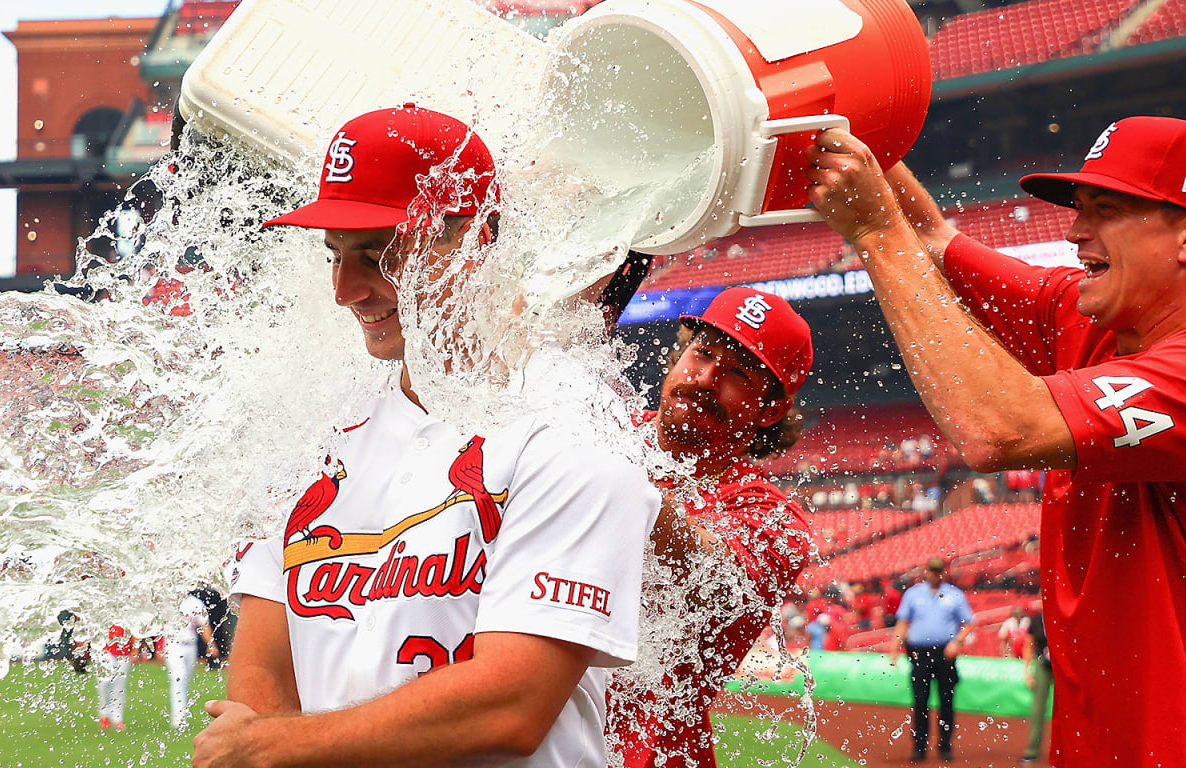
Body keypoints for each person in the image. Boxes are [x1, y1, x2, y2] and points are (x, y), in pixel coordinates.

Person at [193, 104, 659, 768]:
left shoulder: (568, 431)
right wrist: (269, 738)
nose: (344, 290)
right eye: (333, 254)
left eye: (377, 253)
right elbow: (264, 679)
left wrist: (274, 746)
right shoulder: (313, 435)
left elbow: (512, 706)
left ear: (472, 242)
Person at [806, 116, 1186, 765]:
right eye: (1080, 209)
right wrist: (853, 119)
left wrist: (877, 234)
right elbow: (936, 238)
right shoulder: (1085, 319)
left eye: (1105, 210)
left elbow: (997, 430)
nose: (1075, 231)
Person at [611, 285, 814, 768]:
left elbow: (706, 573)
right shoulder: (606, 431)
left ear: (771, 410)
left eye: (737, 373)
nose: (705, 378)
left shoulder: (775, 521)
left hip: (647, 755)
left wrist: (608, 466)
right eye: (701, 354)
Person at [888, 557, 973, 762]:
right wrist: (894, 647)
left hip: (945, 653)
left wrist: (957, 642)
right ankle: (919, 746)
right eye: (932, 571)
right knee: (920, 701)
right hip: (919, 653)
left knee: (946, 701)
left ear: (943, 572)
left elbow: (968, 623)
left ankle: (945, 745)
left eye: (938, 571)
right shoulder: (913, 594)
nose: (935, 575)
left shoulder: (955, 594)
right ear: (926, 572)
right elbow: (903, 623)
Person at [167, 591, 218, 730]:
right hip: (173, 644)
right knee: (178, 677)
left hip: (190, 644)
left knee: (186, 679)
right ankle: (178, 718)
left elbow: (204, 625)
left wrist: (211, 644)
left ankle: (181, 713)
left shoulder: (194, 603)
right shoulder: (167, 600)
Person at [1021, 607, 1052, 765]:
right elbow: (1028, 644)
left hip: (1063, 665)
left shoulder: (1066, 616)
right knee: (1038, 709)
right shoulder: (1036, 620)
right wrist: (1027, 671)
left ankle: (1070, 749)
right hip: (1042, 665)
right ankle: (1032, 750)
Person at [98, 624, 136, 731]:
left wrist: (135, 649)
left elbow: (134, 630)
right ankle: (104, 713)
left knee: (119, 687)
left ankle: (117, 718)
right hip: (106, 651)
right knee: (105, 682)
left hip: (124, 652)